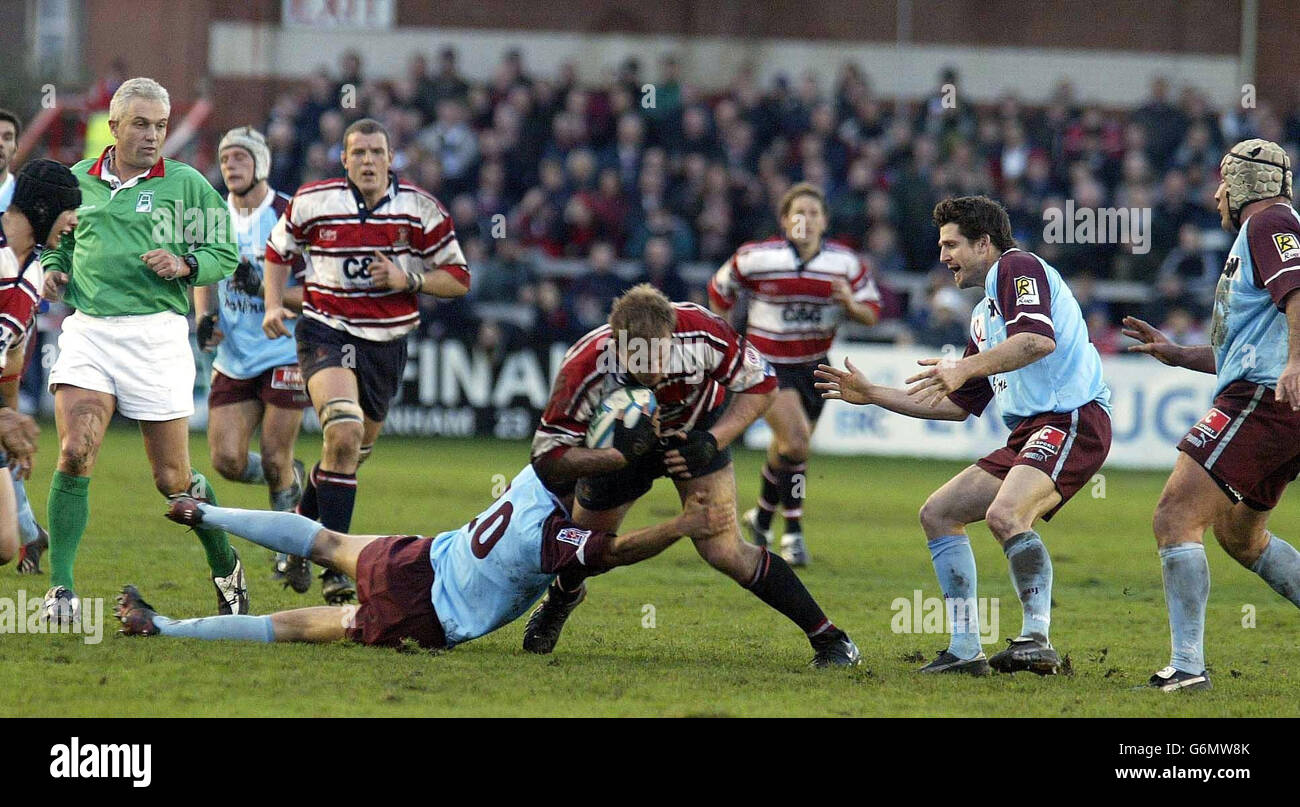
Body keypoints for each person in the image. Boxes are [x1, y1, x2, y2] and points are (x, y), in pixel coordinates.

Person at [815, 195, 1112, 676]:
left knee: (1006, 513)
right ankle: (964, 649)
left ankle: (1036, 638)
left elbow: (1038, 340)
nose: (943, 256)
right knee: (939, 513)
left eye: (951, 244)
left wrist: (965, 365)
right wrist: (873, 394)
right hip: (1030, 432)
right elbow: (956, 404)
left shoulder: (1019, 267)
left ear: (984, 243)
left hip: (1073, 417)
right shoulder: (983, 314)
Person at [526, 283, 861, 667]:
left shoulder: (702, 331)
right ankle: (563, 597)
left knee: (725, 550)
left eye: (661, 357)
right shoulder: (584, 363)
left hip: (695, 435)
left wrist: (713, 441)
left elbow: (764, 385)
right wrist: (614, 456)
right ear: (617, 346)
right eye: (640, 362)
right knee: (583, 552)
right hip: (615, 455)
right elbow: (546, 457)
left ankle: (831, 640)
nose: (653, 370)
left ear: (673, 335)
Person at [115, 464, 728, 651]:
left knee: (324, 540)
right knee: (295, 627)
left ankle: (207, 512)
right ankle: (162, 626)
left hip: (424, 555)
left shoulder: (531, 478)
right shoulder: (554, 538)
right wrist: (680, 523)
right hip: (427, 610)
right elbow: (614, 551)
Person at [39, 77, 243, 623]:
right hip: (90, 332)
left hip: (156, 336)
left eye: (160, 125)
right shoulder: (76, 181)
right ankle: (61, 592)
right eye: (142, 124)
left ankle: (226, 564)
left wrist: (185, 265)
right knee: (74, 452)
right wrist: (55, 273)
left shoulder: (185, 185)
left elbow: (227, 250)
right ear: (115, 126)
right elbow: (54, 244)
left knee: (172, 482)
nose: (153, 135)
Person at [263, 118, 470, 604]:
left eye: (377, 152)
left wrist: (408, 280)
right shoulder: (314, 201)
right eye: (359, 153)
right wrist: (275, 304)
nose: (369, 161)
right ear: (344, 159)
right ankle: (336, 567)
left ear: (392, 157)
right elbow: (276, 251)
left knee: (348, 452)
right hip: (324, 331)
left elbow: (459, 278)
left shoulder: (420, 209)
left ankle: (297, 538)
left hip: (386, 344)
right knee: (344, 431)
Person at [1122, 139, 1300, 692]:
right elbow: (1241, 347)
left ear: (1247, 182)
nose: (1216, 193)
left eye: (1224, 181)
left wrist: (1296, 361)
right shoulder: (1268, 230)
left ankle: (1188, 668)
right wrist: (1177, 353)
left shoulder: (1268, 223)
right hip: (1273, 395)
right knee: (1241, 537)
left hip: (1265, 399)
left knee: (1175, 516)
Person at [709, 182, 880, 566]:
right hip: (766, 366)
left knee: (787, 450)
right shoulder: (756, 258)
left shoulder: (845, 264)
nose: (806, 219)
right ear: (785, 221)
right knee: (799, 442)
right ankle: (794, 534)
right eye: (798, 213)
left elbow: (871, 314)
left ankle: (761, 519)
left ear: (825, 223)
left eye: (813, 213)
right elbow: (720, 291)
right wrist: (724, 341)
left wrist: (849, 304)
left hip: (816, 367)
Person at [195, 126, 312, 591]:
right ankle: (293, 481)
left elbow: (318, 290)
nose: (231, 166)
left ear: (260, 164)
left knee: (277, 452)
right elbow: (202, 268)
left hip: (285, 349)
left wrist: (270, 293)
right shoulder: (213, 214)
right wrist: (204, 316)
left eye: (241, 157)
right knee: (225, 459)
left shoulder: (288, 214)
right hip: (234, 355)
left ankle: (293, 554)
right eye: (226, 159)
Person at [0, 159, 80, 565]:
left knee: (2, 543)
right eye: (69, 214)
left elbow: (10, 354)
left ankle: (30, 535)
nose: (73, 225)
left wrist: (7, 419)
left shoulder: (32, 274)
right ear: (46, 209)